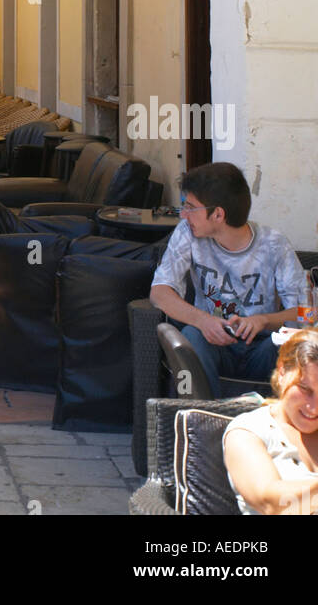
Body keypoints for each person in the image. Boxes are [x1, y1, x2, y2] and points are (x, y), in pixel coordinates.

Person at [150, 162, 305, 397]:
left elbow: (308, 313)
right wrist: (203, 321)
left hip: (262, 348)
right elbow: (159, 292)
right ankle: (204, 418)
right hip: (213, 344)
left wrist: (264, 320)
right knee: (191, 337)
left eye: (190, 207)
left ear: (218, 214)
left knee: (290, 347)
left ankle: (273, 423)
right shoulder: (188, 234)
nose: (183, 214)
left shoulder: (274, 245)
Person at [223, 329, 318, 514]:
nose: (314, 408)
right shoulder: (248, 431)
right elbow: (270, 503)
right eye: (305, 389)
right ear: (282, 371)